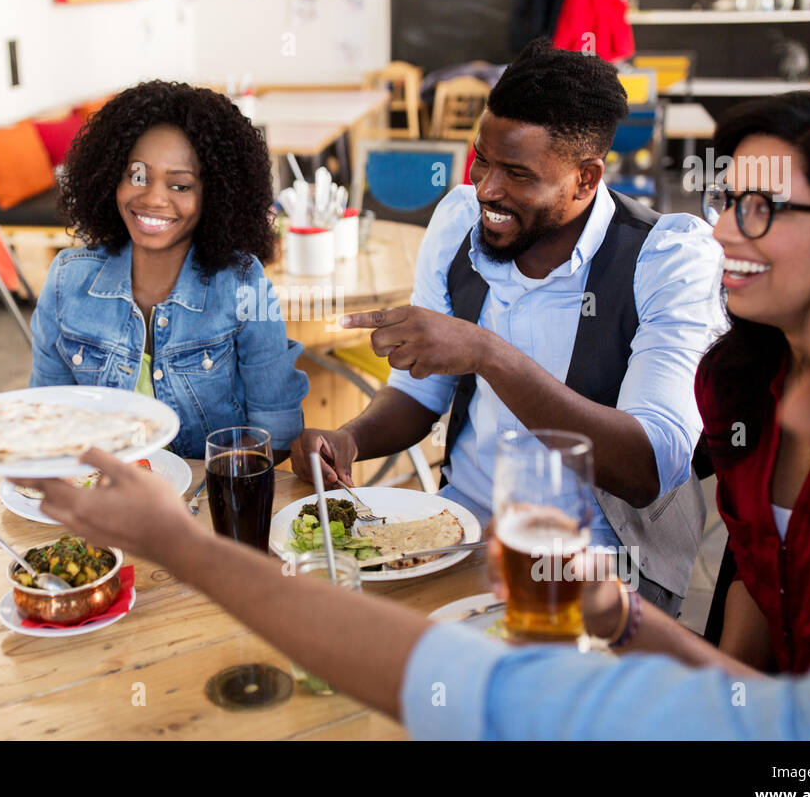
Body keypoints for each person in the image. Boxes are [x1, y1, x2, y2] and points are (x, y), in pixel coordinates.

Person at [25, 163, 810, 739]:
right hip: (514, 570)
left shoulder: (659, 255)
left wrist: (183, 546)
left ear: (585, 177)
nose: (803, 418)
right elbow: (771, 721)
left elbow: (491, 696)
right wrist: (624, 620)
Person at [292, 39, 725, 614]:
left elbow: (650, 466)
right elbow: (422, 394)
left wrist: (487, 353)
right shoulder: (456, 224)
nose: (487, 189)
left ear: (585, 179)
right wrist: (351, 438)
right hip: (459, 532)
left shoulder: (665, 256)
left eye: (517, 174)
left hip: (600, 560)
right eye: (482, 161)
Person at [575, 91, 810, 674]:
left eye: (762, 207)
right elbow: (757, 578)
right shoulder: (735, 382)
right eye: (728, 201)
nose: (722, 233)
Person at [28, 80, 308, 461]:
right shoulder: (67, 282)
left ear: (216, 196)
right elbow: (48, 418)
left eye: (180, 185)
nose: (154, 198)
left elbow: (276, 432)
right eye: (137, 176)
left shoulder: (243, 284)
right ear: (111, 177)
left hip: (205, 509)